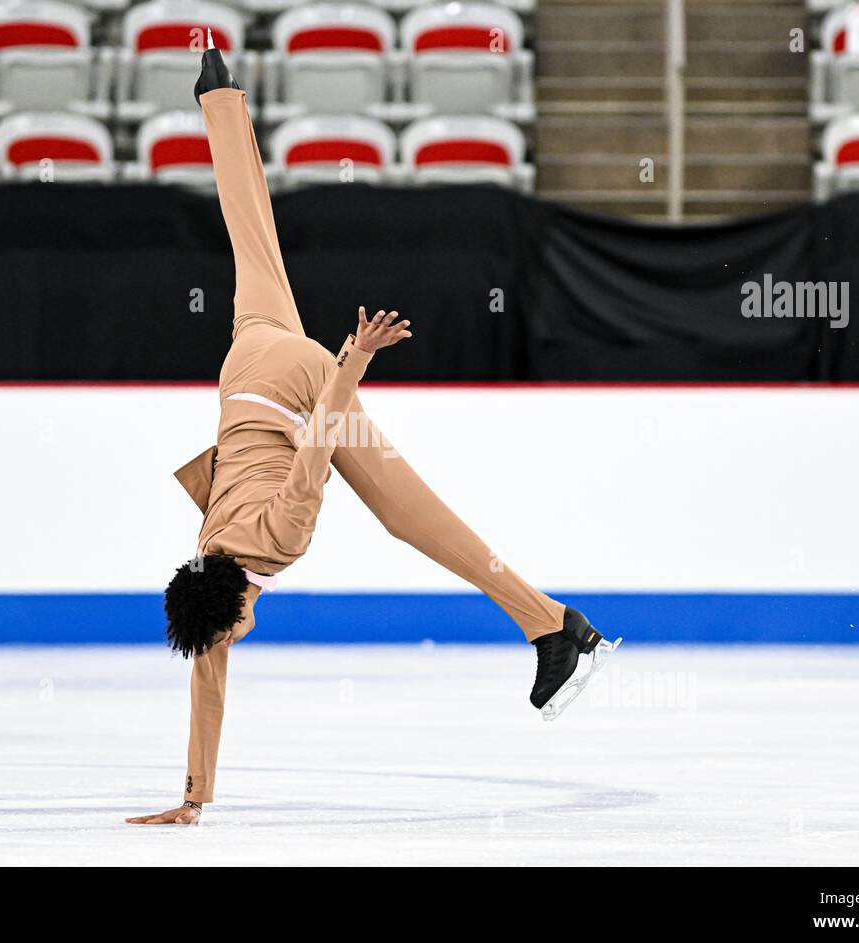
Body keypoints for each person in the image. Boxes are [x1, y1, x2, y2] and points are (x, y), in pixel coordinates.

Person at [126, 41, 618, 827]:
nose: (233, 644)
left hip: (296, 382)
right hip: (246, 357)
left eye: (231, 635)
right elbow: (204, 673)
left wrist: (349, 364)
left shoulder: (274, 543)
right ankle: (221, 100)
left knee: (401, 508)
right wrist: (191, 801)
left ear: (239, 614)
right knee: (251, 238)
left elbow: (319, 443)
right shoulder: (207, 567)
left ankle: (556, 626)